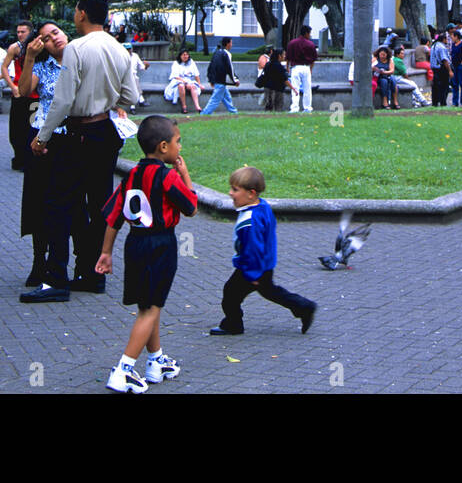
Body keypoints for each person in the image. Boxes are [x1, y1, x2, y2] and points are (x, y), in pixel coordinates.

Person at [21, 0, 139, 303]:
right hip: (106, 132)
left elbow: (62, 100)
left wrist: (42, 137)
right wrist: (106, 100)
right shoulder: (120, 49)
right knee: (99, 204)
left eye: (75, 10)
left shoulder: (76, 48)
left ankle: (56, 277)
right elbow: (130, 97)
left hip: (78, 133)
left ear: (82, 14)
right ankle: (92, 274)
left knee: (59, 204)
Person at [98, 115, 197, 394]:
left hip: (135, 243)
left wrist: (106, 252)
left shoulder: (130, 175)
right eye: (178, 141)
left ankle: (156, 362)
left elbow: (114, 217)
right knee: (150, 308)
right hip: (160, 244)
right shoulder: (167, 177)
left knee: (149, 305)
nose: (180, 147)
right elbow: (191, 206)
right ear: (164, 147)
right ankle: (123, 369)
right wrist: (184, 174)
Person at [16, 21, 86, 290]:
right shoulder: (43, 68)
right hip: (42, 140)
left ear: (65, 33)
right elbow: (23, 92)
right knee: (39, 201)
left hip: (74, 139)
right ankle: (39, 261)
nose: (53, 39)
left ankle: (79, 263)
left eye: (55, 32)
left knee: (75, 204)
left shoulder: (81, 61)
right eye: (45, 38)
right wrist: (29, 58)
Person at [210, 166, 316, 337]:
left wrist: (252, 275)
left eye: (235, 190)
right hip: (264, 264)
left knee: (230, 293)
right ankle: (303, 307)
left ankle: (233, 324)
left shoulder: (249, 221)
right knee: (271, 292)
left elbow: (253, 249)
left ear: (251, 193)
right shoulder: (262, 206)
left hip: (252, 267)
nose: (230, 193)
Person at [2, 20, 34, 171]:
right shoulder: (14, 48)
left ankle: (28, 159)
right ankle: (19, 157)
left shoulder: (35, 47)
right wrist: (12, 86)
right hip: (19, 92)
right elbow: (4, 67)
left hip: (34, 94)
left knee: (30, 128)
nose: (20, 34)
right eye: (18, 32)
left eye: (23, 32)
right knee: (16, 129)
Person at [201, 37, 240, 116]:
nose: (232, 45)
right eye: (231, 43)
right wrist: (235, 80)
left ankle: (233, 112)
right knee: (215, 99)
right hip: (221, 80)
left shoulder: (217, 52)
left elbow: (211, 66)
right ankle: (204, 114)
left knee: (227, 97)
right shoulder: (227, 54)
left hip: (216, 79)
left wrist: (211, 79)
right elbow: (230, 68)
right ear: (228, 44)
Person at [285, 24, 318, 114]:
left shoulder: (292, 43)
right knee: (307, 88)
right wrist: (311, 69)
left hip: (295, 68)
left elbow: (288, 57)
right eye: (309, 33)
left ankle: (295, 107)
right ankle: (307, 107)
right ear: (306, 33)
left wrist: (287, 67)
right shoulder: (311, 44)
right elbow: (313, 59)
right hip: (305, 67)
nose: (310, 35)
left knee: (295, 88)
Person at [164, 48, 203, 114]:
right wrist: (184, 82)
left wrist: (199, 84)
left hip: (188, 80)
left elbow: (196, 74)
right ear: (180, 56)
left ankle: (197, 106)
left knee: (193, 86)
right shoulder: (176, 63)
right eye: (183, 55)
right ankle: (184, 107)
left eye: (187, 55)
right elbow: (175, 76)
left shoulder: (191, 62)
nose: (185, 56)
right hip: (178, 80)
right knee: (181, 86)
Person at [258, 47, 294, 113]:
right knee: (277, 107)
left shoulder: (268, 64)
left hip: (267, 88)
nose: (285, 56)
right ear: (279, 56)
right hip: (278, 90)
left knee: (268, 106)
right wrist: (293, 88)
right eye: (284, 54)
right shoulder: (279, 67)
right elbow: (285, 79)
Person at [429, 32, 453, 108]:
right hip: (441, 68)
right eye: (446, 39)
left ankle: (435, 102)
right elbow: (444, 60)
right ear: (443, 39)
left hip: (434, 68)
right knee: (444, 86)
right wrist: (449, 70)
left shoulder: (433, 46)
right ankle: (443, 102)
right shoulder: (442, 47)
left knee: (435, 86)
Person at [449, 28, 462, 107]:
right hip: (454, 66)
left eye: (453, 36)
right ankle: (455, 102)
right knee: (455, 84)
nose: (452, 38)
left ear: (456, 37)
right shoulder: (453, 45)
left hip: (461, 66)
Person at [372, 46, 397, 110]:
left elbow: (392, 70)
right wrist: (376, 69)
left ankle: (395, 101)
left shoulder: (390, 60)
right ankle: (384, 102)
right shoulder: (375, 59)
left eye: (384, 55)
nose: (382, 56)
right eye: (381, 54)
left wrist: (384, 72)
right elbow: (371, 67)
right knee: (384, 82)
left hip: (387, 75)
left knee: (393, 81)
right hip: (378, 77)